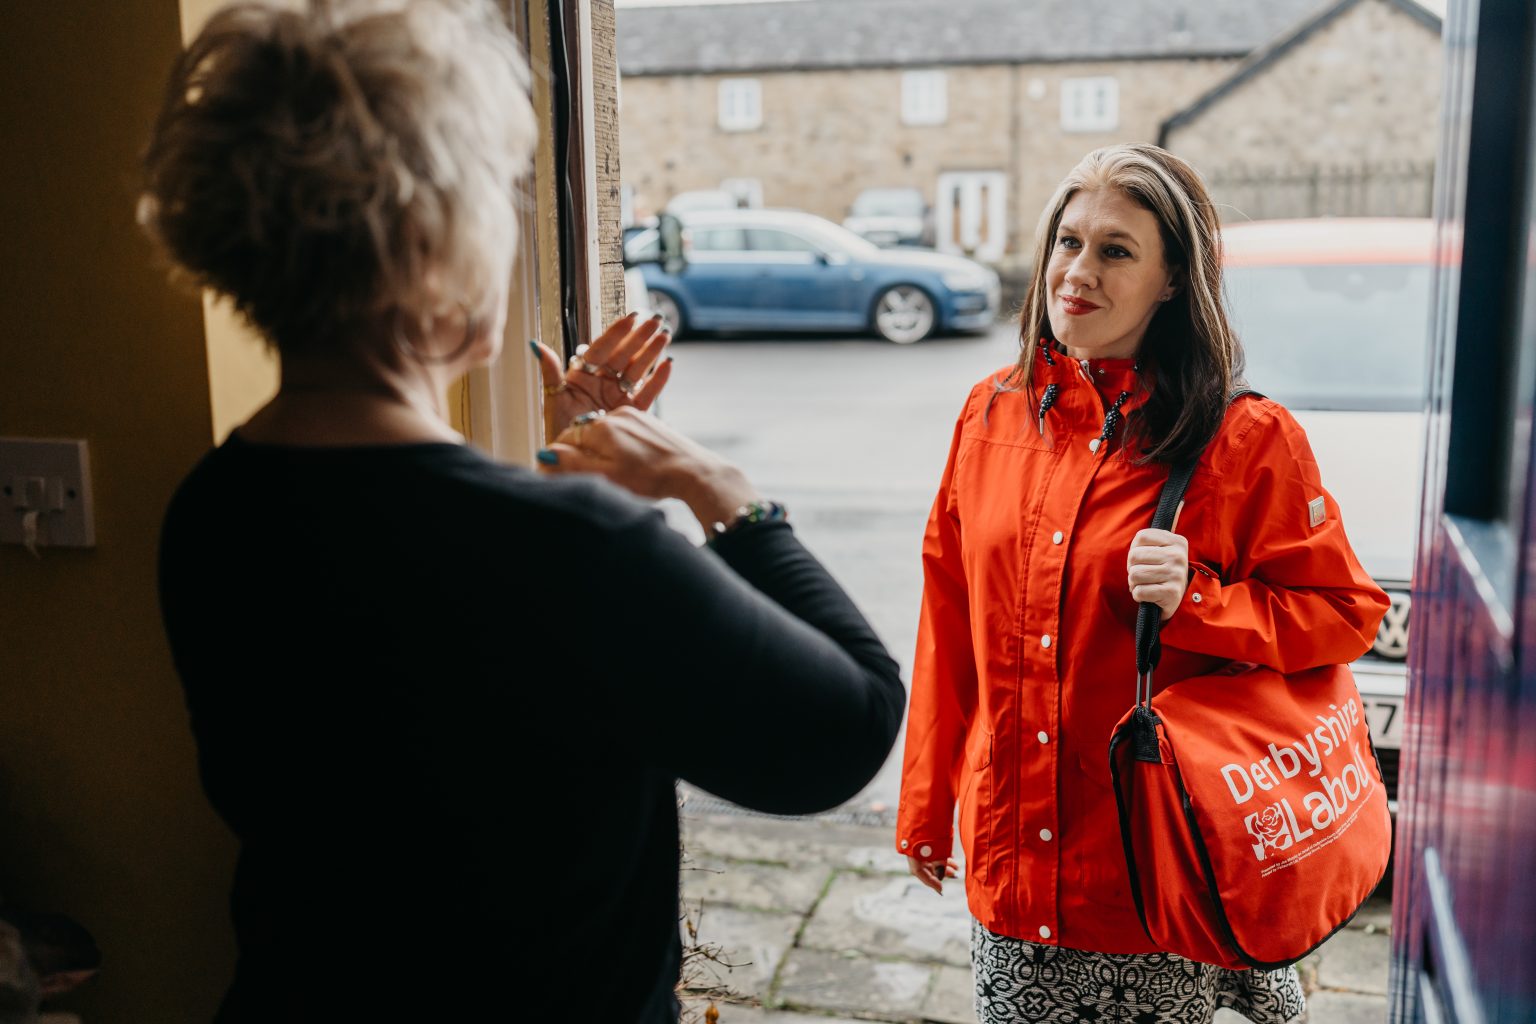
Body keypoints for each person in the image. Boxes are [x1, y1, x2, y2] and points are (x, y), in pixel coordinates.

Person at [141, 2, 904, 1020]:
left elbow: (443, 713)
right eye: (500, 192)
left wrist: (570, 491)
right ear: (434, 242)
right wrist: (718, 490)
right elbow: (847, 726)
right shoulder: (573, 552)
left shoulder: (213, 505)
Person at [895, 143, 1390, 1024]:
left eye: (1115, 250)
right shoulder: (989, 413)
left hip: (1154, 868)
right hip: (1017, 864)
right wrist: (929, 805)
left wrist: (1198, 600)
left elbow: (1345, 616)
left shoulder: (1245, 439)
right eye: (1067, 242)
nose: (1076, 272)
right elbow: (949, 620)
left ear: (1171, 281)